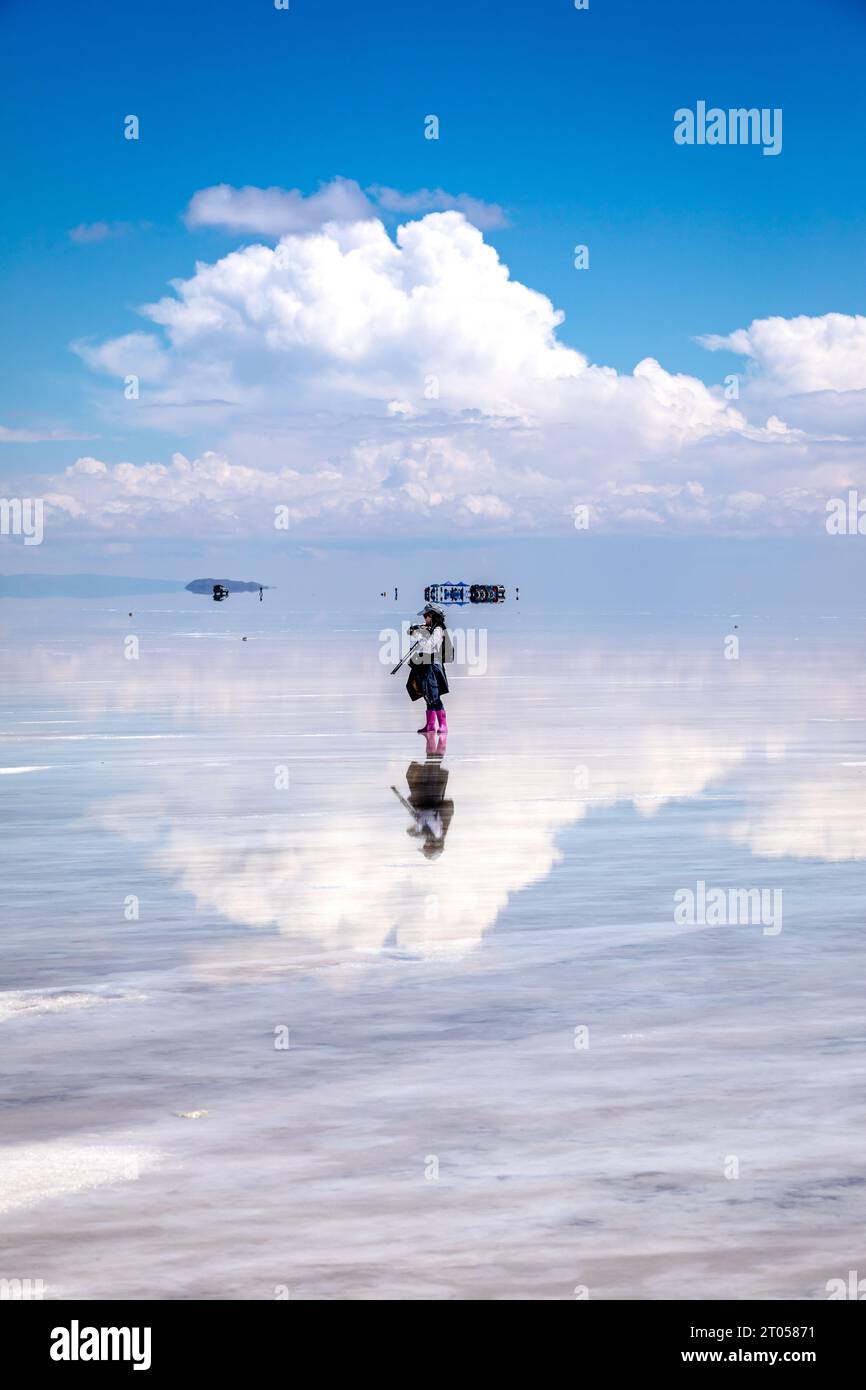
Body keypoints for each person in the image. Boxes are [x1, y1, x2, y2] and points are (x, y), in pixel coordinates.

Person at [408, 604, 451, 735]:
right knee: (426, 695)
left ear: (431, 615)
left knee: (434, 695)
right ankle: (430, 725)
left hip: (433, 666)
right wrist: (415, 630)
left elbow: (429, 647)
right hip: (424, 663)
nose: (424, 618)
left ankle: (443, 725)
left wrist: (420, 636)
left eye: (425, 616)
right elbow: (410, 633)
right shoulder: (430, 627)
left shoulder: (438, 629)